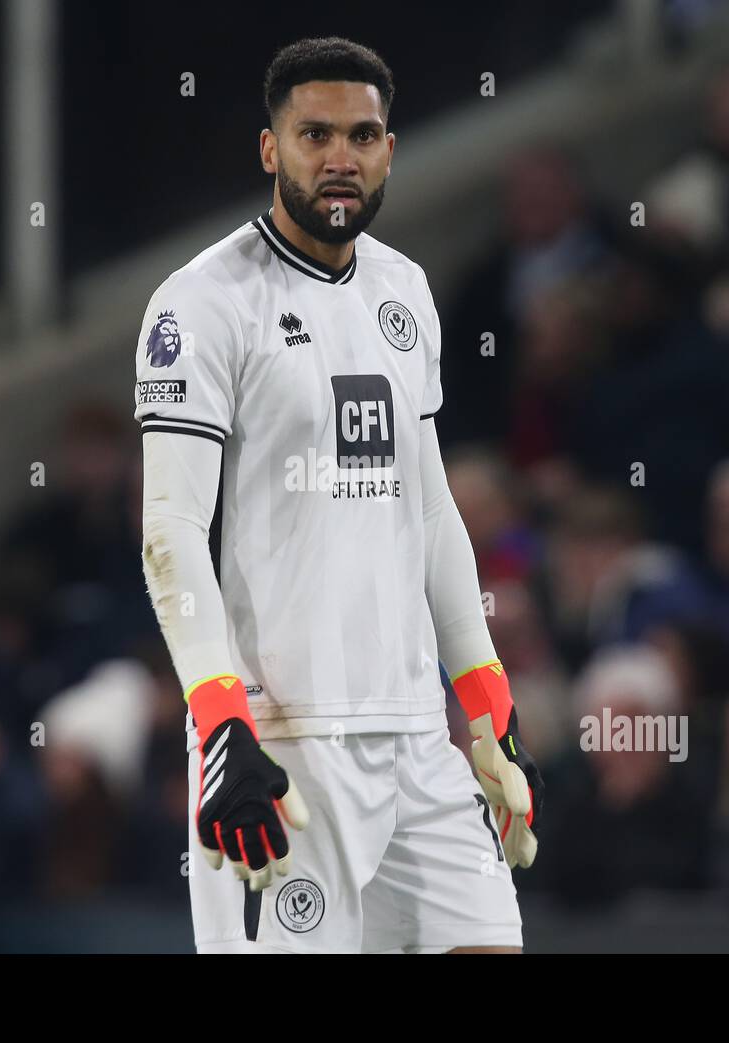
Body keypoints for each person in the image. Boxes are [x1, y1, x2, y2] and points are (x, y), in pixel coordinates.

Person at [133, 37, 543, 953]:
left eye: (361, 135)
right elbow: (169, 529)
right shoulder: (199, 303)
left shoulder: (406, 292)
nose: (339, 156)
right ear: (271, 148)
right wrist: (220, 717)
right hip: (284, 740)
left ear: (390, 149)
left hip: (415, 741)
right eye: (314, 134)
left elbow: (429, 509)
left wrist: (484, 695)